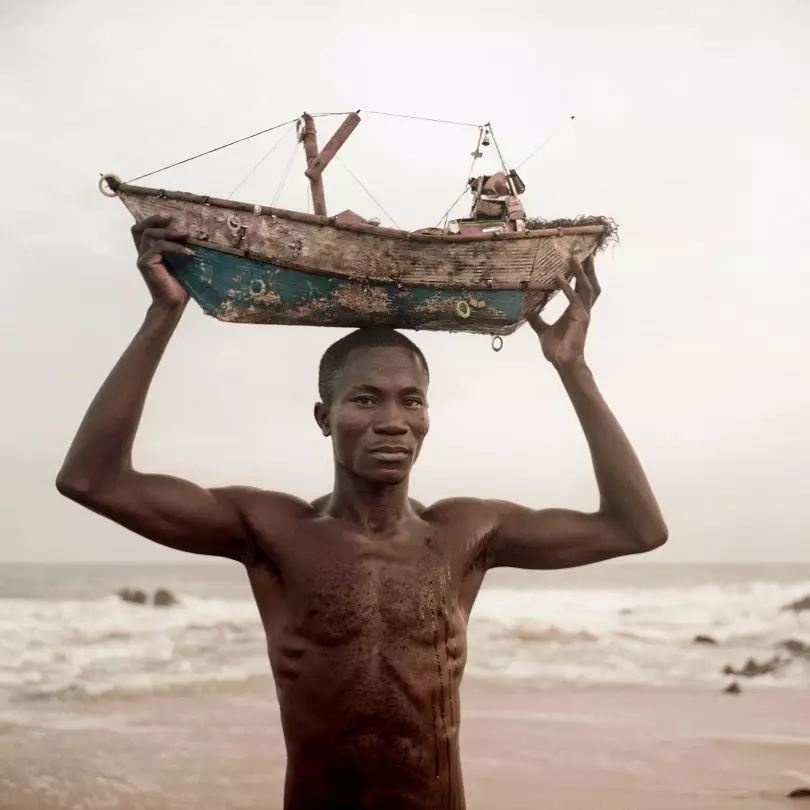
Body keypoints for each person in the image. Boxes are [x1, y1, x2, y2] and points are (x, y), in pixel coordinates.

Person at [56, 216, 667, 810]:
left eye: (412, 401)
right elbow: (93, 480)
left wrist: (573, 366)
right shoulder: (272, 531)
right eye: (365, 400)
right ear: (325, 418)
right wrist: (164, 312)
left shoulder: (467, 533)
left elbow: (635, 529)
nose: (393, 421)